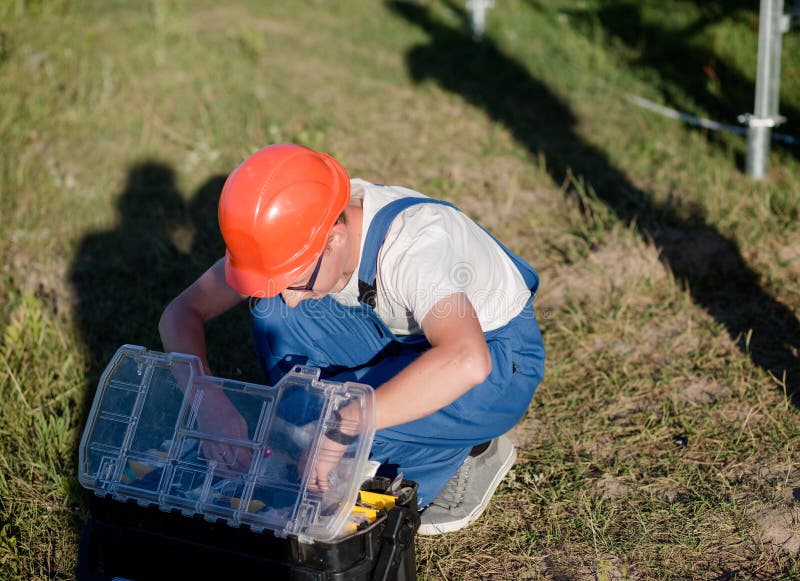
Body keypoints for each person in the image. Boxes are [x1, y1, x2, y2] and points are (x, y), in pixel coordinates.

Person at [158, 143, 545, 535]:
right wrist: (207, 402)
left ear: (336, 238)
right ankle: (342, 429)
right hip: (406, 337)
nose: (290, 295)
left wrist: (344, 425)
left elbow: (466, 359)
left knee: (357, 447)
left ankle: (468, 454)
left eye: (295, 280)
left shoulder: (414, 248)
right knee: (276, 324)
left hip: (496, 359)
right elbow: (180, 314)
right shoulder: (301, 229)